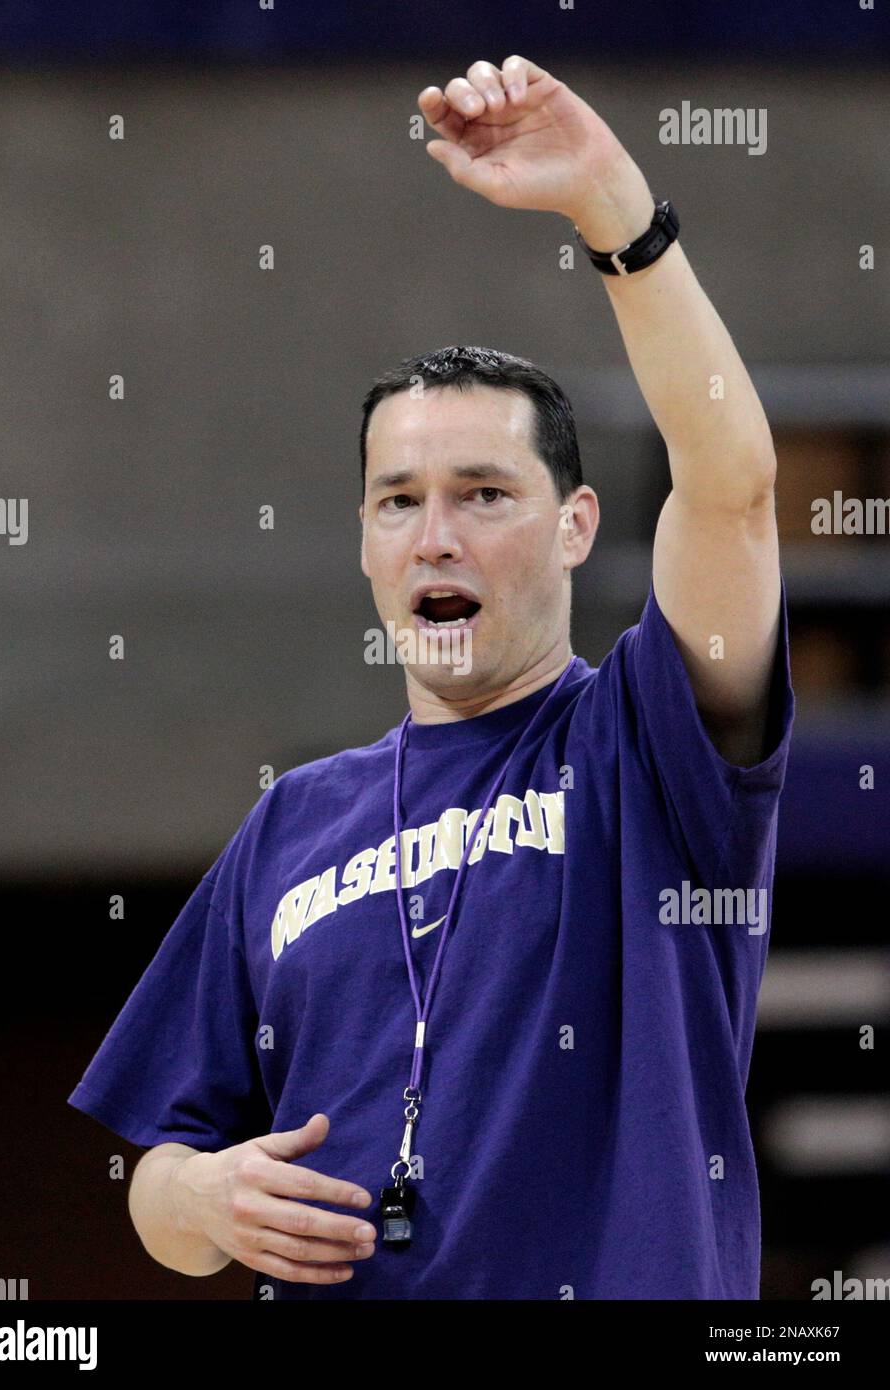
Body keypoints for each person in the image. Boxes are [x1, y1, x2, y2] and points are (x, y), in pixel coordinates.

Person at [67, 54, 794, 1300]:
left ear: (574, 527)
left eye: (482, 495)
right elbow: (158, 1183)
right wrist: (194, 1195)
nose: (434, 535)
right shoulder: (290, 824)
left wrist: (608, 204)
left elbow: (728, 481)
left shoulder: (641, 742)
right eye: (396, 501)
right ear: (363, 543)